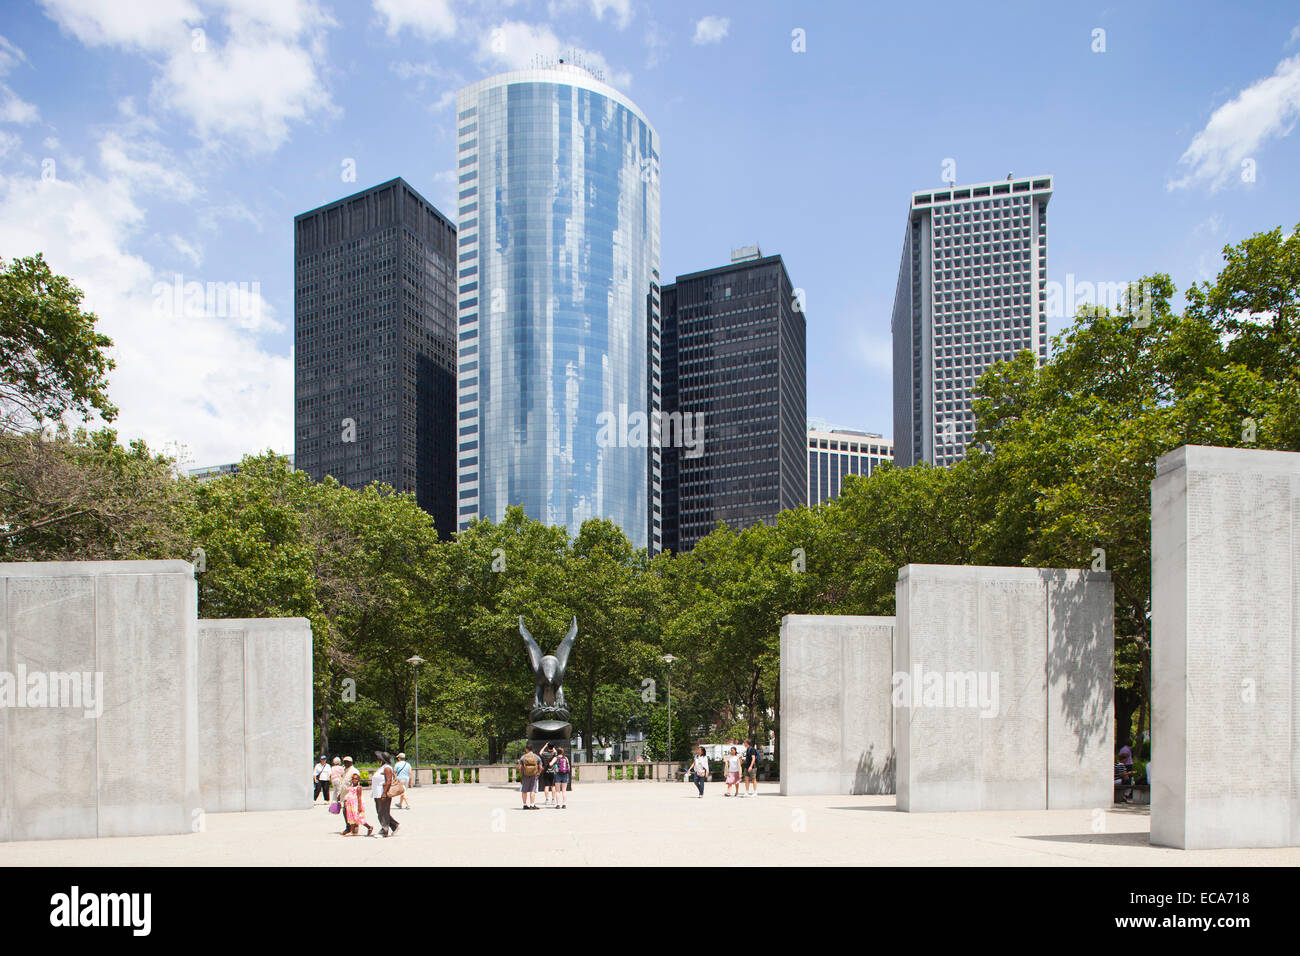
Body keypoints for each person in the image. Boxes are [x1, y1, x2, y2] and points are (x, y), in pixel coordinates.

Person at [372, 752, 400, 837]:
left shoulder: (387, 768)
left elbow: (388, 781)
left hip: (382, 793)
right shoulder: (382, 768)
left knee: (383, 812)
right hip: (377, 793)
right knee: (381, 811)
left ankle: (384, 830)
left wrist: (384, 793)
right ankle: (394, 825)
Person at [342, 770, 373, 836]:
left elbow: (359, 797)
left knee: (359, 818)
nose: (354, 780)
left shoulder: (358, 788)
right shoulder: (351, 787)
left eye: (356, 779)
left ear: (358, 780)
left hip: (356, 804)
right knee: (351, 818)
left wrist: (359, 806)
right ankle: (352, 831)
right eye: (353, 779)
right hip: (350, 804)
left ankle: (369, 827)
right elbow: (349, 795)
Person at [518, 744, 542, 809]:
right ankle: (532, 805)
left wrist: (521, 774)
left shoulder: (523, 757)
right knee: (532, 790)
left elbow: (519, 768)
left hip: (525, 775)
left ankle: (525, 805)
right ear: (532, 749)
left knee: (524, 790)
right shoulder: (537, 757)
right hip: (534, 775)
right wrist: (538, 773)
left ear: (526, 749)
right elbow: (540, 767)